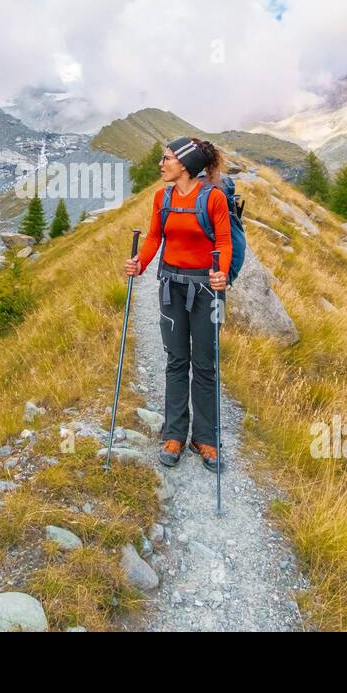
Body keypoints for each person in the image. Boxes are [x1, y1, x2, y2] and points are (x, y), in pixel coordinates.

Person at [124, 136, 231, 471]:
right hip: (170, 286)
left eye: (167, 158)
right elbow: (155, 236)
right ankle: (174, 435)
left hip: (207, 290)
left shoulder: (213, 199)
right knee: (175, 360)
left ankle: (207, 438)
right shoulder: (162, 197)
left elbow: (225, 241)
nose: (161, 163)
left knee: (205, 363)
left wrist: (221, 274)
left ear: (184, 165)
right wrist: (140, 264)